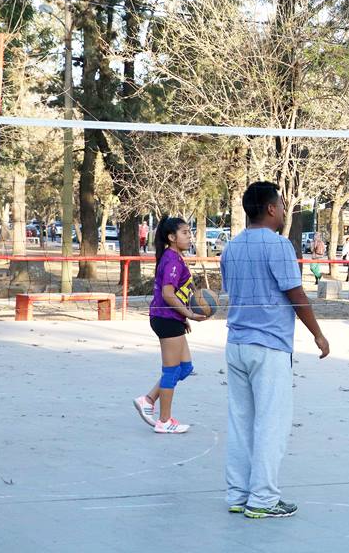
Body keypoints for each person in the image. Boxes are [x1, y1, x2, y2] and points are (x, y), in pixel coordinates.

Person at [221, 181, 330, 519]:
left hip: (236, 345)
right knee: (271, 423)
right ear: (270, 209)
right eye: (282, 205)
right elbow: (296, 294)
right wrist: (318, 334)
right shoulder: (279, 246)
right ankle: (263, 500)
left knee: (241, 422)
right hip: (268, 348)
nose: (284, 211)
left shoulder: (231, 248)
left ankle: (238, 494)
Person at [133, 217, 205, 434]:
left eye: (189, 232)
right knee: (171, 370)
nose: (189, 236)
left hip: (172, 319)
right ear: (172, 238)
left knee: (185, 368)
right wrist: (189, 314)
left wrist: (183, 318)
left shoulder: (175, 257)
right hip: (165, 318)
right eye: (184, 233)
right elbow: (167, 294)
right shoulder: (172, 259)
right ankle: (164, 421)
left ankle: (148, 400)